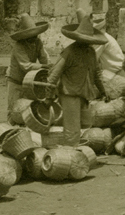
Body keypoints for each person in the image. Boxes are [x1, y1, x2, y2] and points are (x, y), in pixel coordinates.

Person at [46, 10, 108, 147]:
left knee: (86, 125)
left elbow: (97, 74)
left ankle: (77, 150)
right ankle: (71, 153)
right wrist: (49, 97)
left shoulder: (91, 53)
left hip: (84, 93)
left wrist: (103, 91)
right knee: (72, 130)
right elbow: (54, 75)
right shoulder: (69, 52)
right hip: (70, 94)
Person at [6, 13, 50, 115]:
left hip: (28, 81)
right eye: (31, 36)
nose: (34, 37)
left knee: (28, 110)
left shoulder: (38, 42)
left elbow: (44, 58)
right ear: (25, 36)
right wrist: (44, 66)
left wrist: (49, 67)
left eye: (35, 35)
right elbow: (26, 66)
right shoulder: (19, 46)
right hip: (15, 80)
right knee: (14, 109)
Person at [92, 13, 125, 97]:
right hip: (117, 71)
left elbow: (92, 58)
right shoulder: (106, 36)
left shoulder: (101, 39)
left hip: (116, 73)